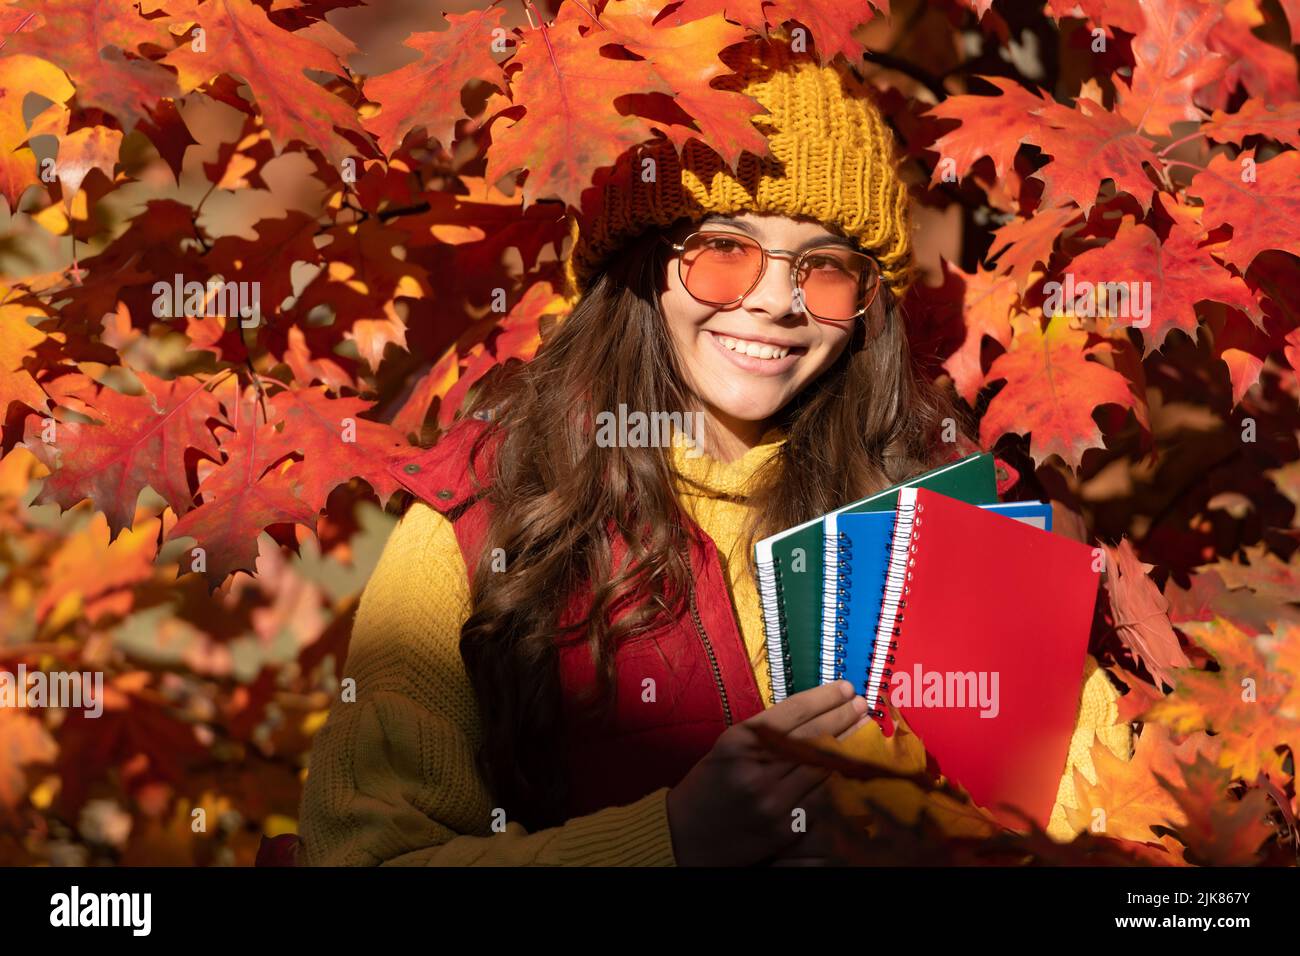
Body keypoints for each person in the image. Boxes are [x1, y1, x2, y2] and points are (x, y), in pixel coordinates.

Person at [296, 40, 1132, 866]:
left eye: (825, 268)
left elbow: (1104, 832)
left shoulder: (952, 511)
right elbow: (363, 858)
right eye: (724, 251)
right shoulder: (487, 516)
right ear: (641, 266)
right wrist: (673, 840)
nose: (775, 302)